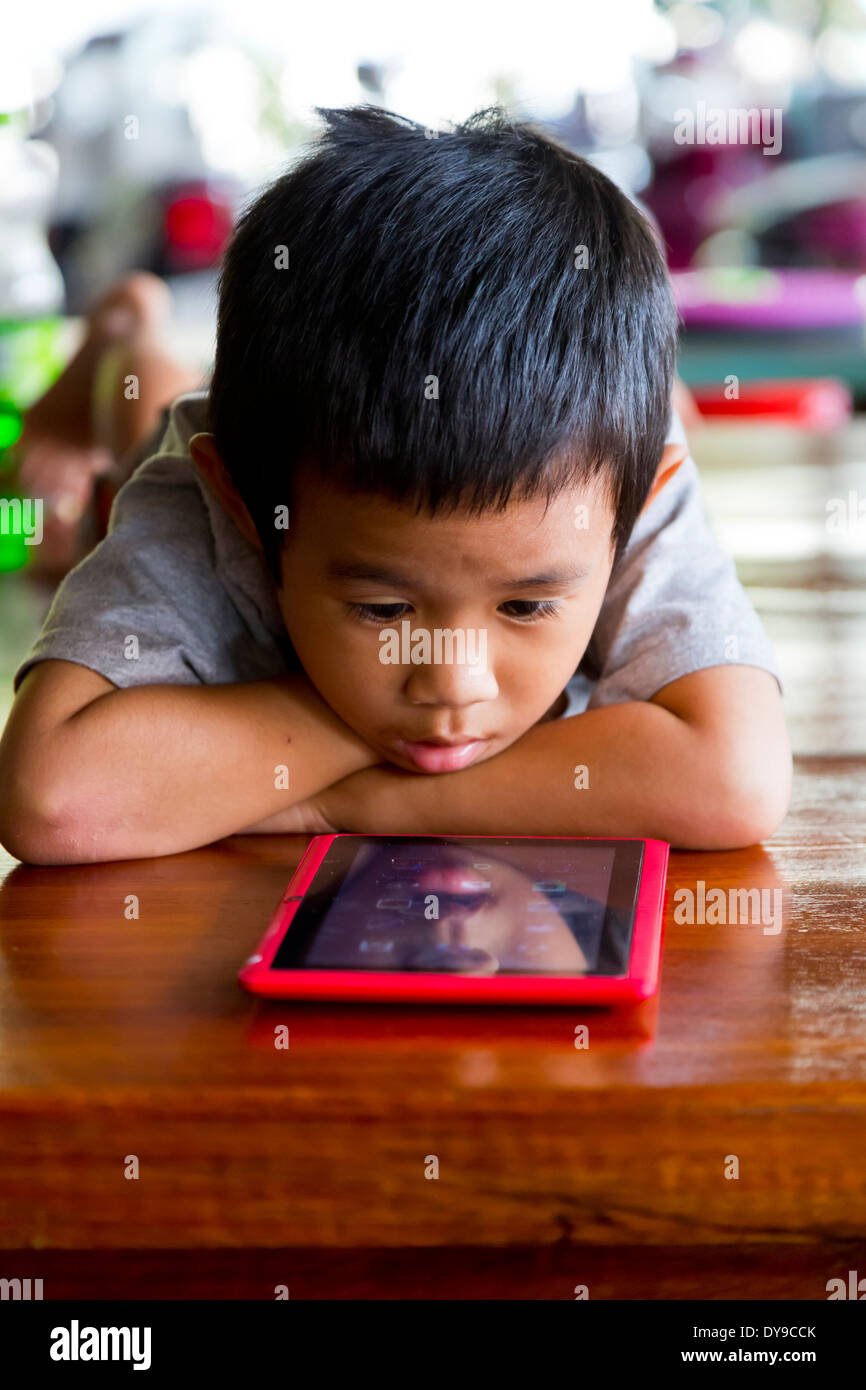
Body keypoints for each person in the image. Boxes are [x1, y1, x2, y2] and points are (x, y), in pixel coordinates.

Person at [0, 105, 791, 864]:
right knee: (145, 413)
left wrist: (338, 804)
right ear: (243, 501)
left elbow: (735, 778)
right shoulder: (205, 494)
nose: (452, 685)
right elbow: (52, 797)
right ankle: (124, 329)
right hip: (184, 444)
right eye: (383, 609)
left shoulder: (612, 466)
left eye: (525, 605)